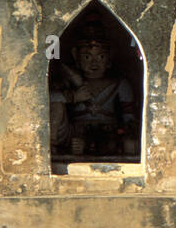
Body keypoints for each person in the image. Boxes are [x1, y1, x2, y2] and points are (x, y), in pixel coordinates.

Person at [50, 18, 139, 158]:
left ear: (109, 59)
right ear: (76, 57)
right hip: (75, 132)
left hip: (109, 132)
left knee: (124, 143)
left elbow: (129, 117)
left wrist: (128, 134)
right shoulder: (69, 82)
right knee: (56, 105)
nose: (94, 62)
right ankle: (52, 147)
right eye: (86, 57)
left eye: (101, 56)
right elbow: (45, 98)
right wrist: (72, 96)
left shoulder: (120, 84)